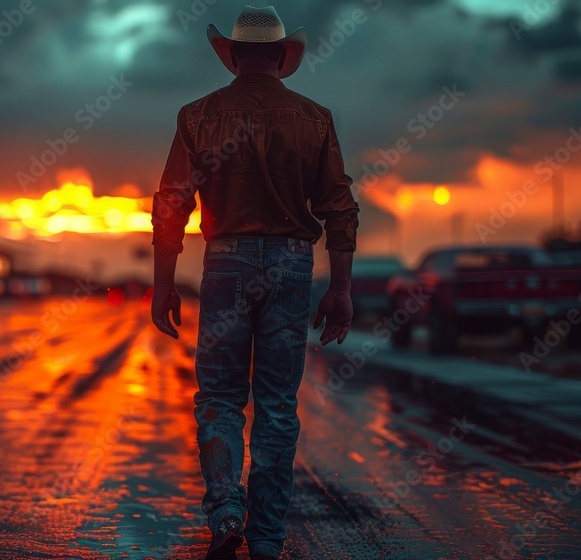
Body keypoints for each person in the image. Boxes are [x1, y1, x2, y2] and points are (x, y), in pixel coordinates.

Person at [149, 5, 360, 559]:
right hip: (292, 266)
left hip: (226, 265)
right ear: (282, 56)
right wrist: (341, 289)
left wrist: (163, 283)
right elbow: (339, 208)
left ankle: (226, 512)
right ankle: (265, 538)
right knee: (277, 405)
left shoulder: (197, 115)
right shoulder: (315, 118)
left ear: (235, 56)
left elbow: (172, 204)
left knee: (220, 397)